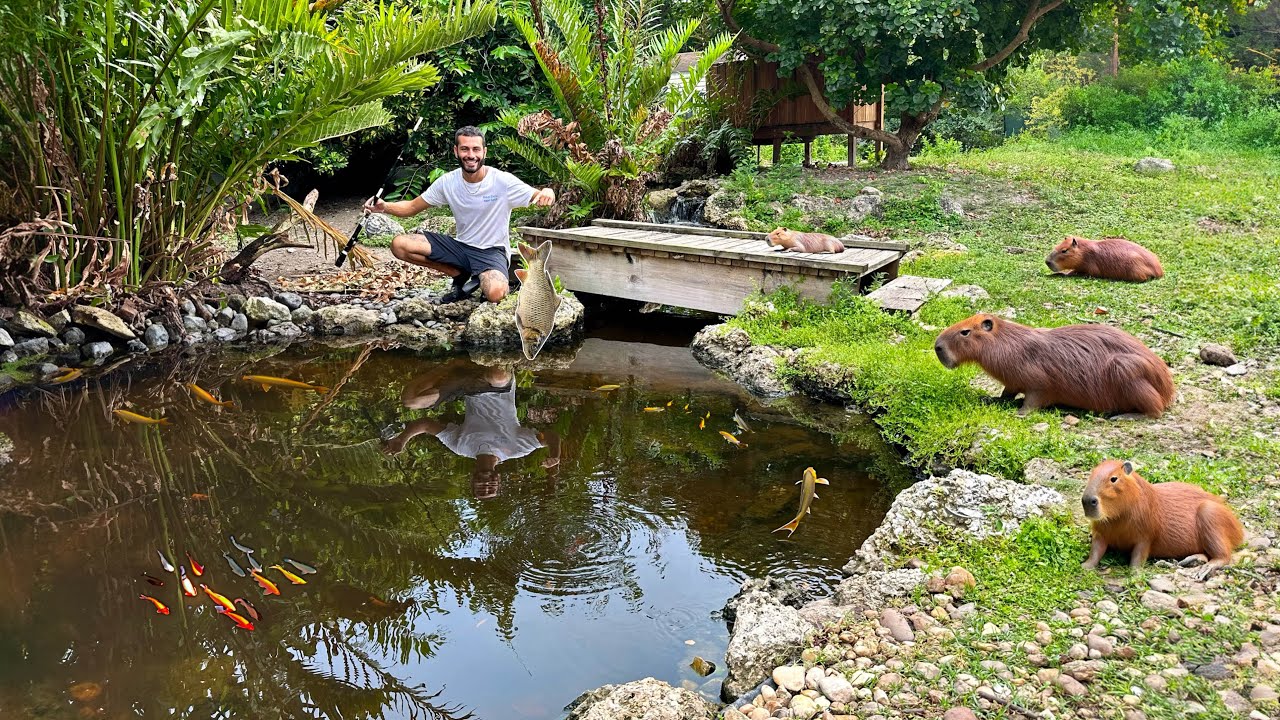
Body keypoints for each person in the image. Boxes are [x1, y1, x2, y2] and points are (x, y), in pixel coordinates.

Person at [364, 126, 555, 303]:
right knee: (399, 245)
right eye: (465, 149)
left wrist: (548, 192)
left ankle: (484, 277)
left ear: (484, 152)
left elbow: (538, 195)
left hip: (492, 251)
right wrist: (384, 206)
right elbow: (412, 207)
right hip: (460, 247)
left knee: (496, 293)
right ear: (456, 151)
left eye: (476, 149)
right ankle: (459, 274)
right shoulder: (447, 182)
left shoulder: (502, 181)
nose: (471, 155)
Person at [382, 361, 561, 499]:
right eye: (491, 488)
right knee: (497, 376)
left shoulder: (460, 447)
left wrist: (402, 439)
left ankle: (450, 365)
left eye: (481, 489)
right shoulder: (516, 449)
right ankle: (487, 359)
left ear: (472, 480)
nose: (486, 485)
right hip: (499, 388)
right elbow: (550, 436)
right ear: (498, 481)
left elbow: (426, 425)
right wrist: (555, 454)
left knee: (411, 401)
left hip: (467, 387)